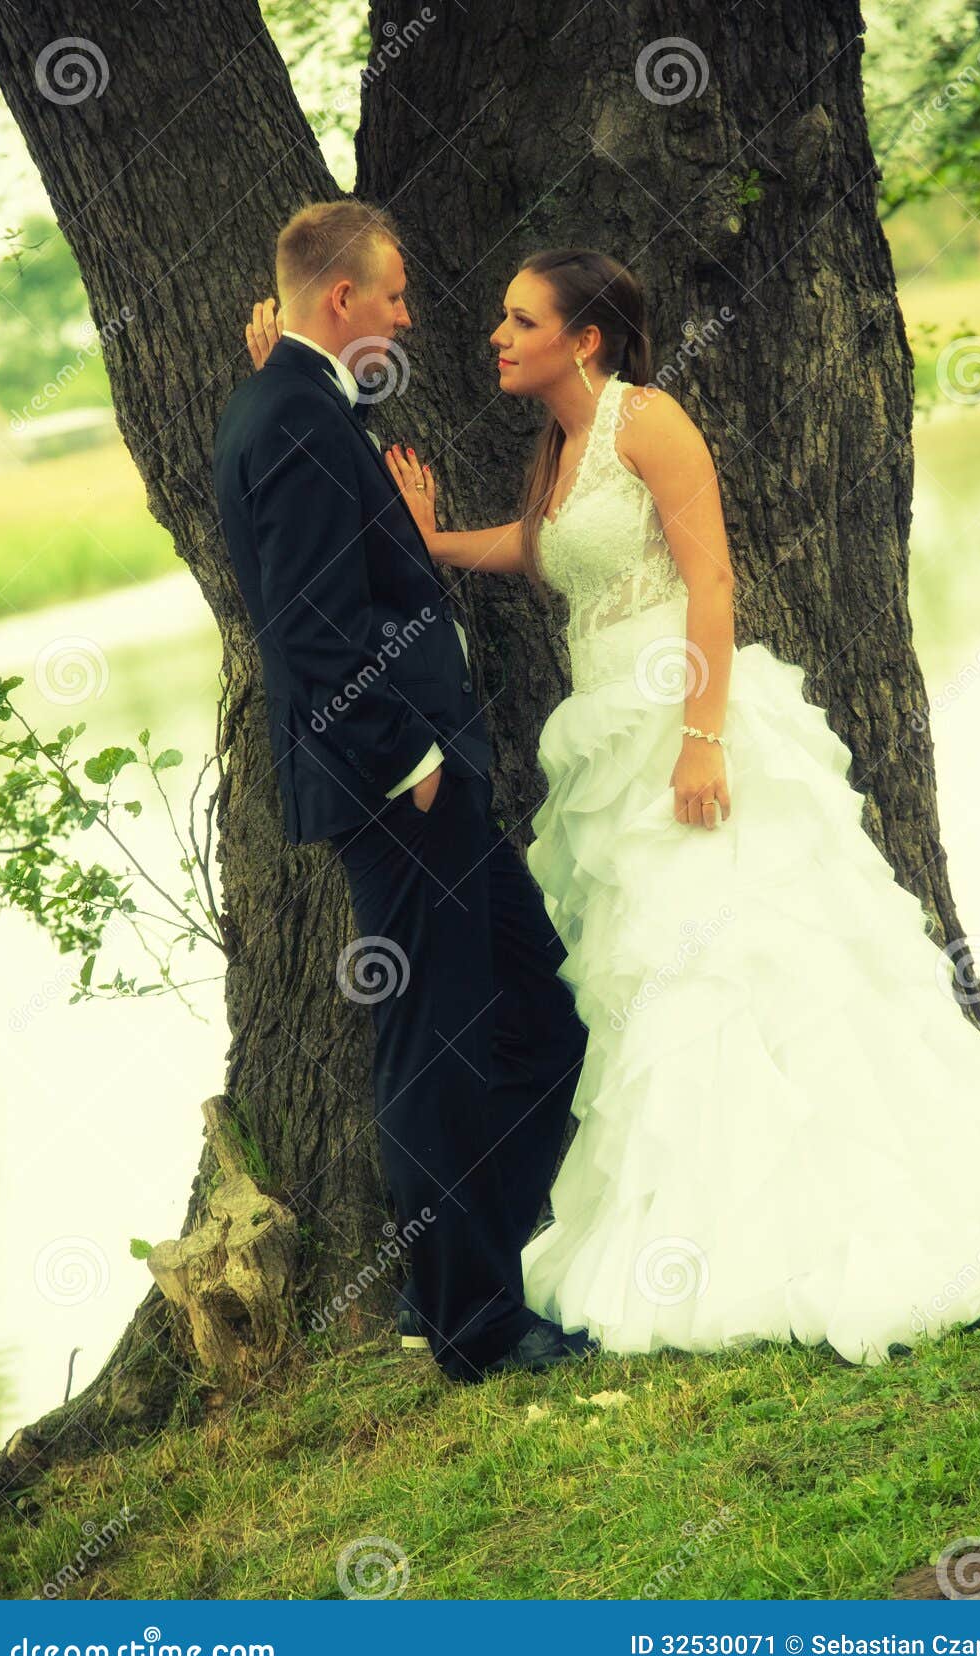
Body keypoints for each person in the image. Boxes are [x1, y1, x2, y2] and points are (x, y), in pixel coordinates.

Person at [376, 245, 980, 1367]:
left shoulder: (649, 420)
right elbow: (547, 555)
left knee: (743, 961)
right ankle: (693, 1217)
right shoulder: (558, 444)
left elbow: (712, 581)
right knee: (652, 981)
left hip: (682, 729)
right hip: (604, 742)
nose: (494, 335)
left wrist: (700, 739)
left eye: (517, 318)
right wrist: (431, 538)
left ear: (580, 338)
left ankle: (827, 1217)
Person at [215, 201, 596, 1384]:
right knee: (432, 1051)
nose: (410, 311)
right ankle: (474, 1327)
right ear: (343, 300)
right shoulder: (290, 420)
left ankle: (463, 1278)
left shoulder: (304, 402)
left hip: (429, 778)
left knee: (538, 1018)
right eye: (391, 292)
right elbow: (309, 628)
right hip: (399, 787)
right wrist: (409, 759)